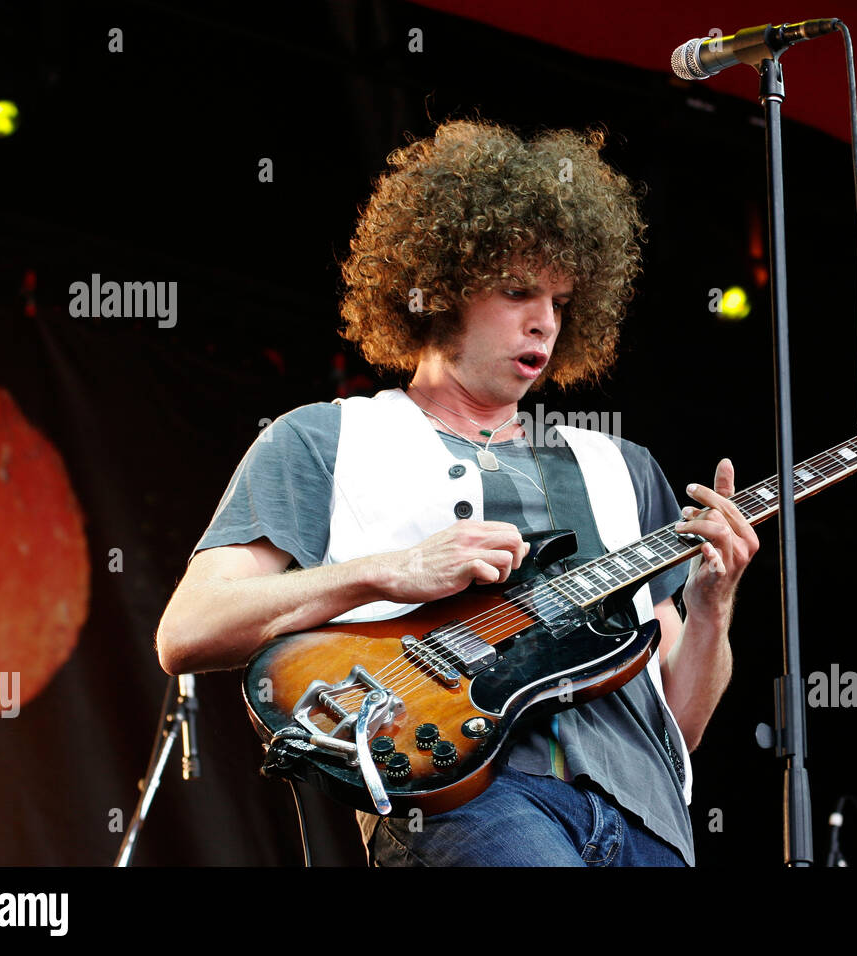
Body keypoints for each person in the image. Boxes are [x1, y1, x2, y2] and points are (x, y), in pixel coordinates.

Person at [155, 118, 759, 866]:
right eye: (516, 291)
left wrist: (713, 607)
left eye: (563, 302)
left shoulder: (620, 468)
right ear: (440, 288)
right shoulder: (321, 440)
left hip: (646, 823)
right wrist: (390, 572)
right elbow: (189, 630)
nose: (544, 320)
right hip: (468, 805)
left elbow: (681, 728)